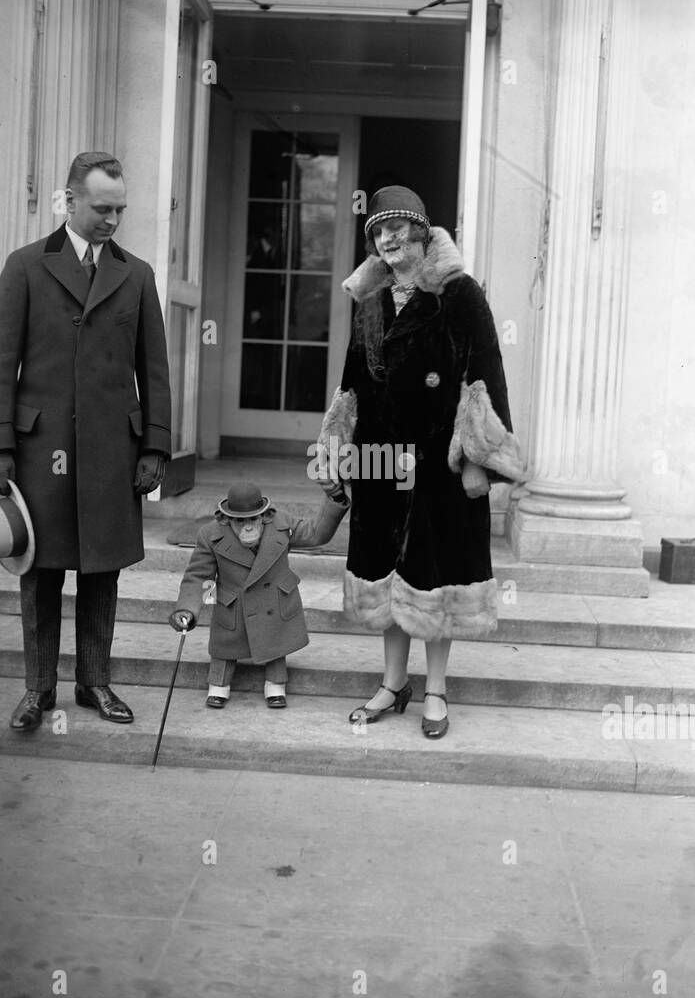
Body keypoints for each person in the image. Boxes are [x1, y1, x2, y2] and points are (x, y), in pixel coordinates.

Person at [317, 185, 522, 738]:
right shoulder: (371, 303)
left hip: (439, 462)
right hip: (381, 458)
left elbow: (485, 374)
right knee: (385, 571)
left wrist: (478, 454)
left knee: (437, 576)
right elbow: (351, 382)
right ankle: (391, 684)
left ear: (422, 233)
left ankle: (434, 690)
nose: (386, 239)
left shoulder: (460, 294)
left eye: (396, 228)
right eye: (377, 232)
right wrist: (338, 448)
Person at [0, 151, 172, 731]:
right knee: (40, 572)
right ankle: (38, 691)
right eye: (102, 208)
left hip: (114, 451)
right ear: (70, 200)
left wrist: (155, 446)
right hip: (41, 451)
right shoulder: (26, 266)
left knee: (101, 570)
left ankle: (95, 684)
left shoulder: (136, 274)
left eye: (120, 210)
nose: (113, 220)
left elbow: (153, 368)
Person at [169, 481, 349, 709]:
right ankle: (218, 685)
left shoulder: (282, 526)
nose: (248, 527)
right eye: (240, 521)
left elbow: (315, 534)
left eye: (253, 519)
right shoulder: (210, 534)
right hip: (232, 602)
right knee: (224, 645)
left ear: (264, 515)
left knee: (274, 637)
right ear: (226, 519)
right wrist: (188, 609)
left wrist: (335, 499)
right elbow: (198, 575)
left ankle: (275, 684)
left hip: (274, 600)